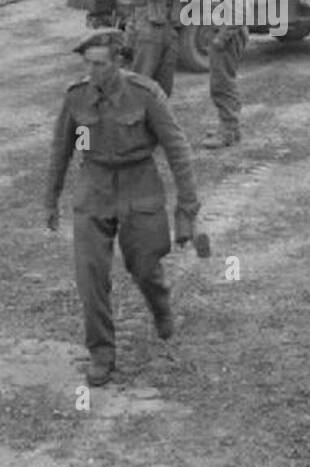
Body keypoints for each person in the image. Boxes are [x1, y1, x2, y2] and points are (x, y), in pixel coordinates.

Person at [44, 30, 200, 387]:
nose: (92, 71)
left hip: (138, 183)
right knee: (89, 275)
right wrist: (50, 200)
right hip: (94, 186)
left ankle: (159, 304)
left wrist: (187, 209)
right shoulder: (77, 96)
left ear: (118, 62)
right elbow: (61, 151)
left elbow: (178, 150)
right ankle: (102, 352)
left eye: (100, 64)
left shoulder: (145, 95)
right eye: (88, 63)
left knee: (144, 266)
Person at [189, 0, 247, 148]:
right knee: (222, 81)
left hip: (228, 34)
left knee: (222, 83)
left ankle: (229, 130)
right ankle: (230, 127)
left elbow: (238, 11)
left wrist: (221, 38)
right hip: (221, 31)